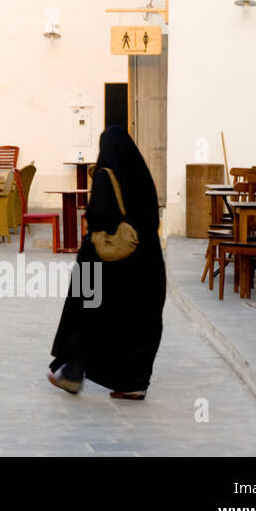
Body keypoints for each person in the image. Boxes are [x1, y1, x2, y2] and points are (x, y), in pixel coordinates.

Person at [48, 125, 164, 399]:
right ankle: (134, 382)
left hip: (104, 261)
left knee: (85, 314)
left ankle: (73, 373)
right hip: (147, 263)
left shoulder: (105, 175)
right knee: (138, 323)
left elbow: (99, 217)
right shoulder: (142, 177)